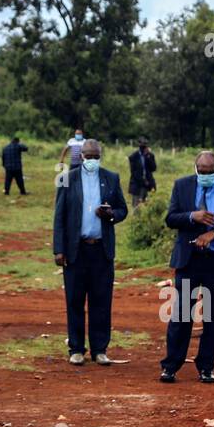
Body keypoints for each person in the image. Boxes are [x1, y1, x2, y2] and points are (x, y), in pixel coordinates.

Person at [160, 150, 214, 384]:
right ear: (195, 168)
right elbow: (170, 218)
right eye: (202, 171)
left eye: (210, 172)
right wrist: (192, 216)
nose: (206, 175)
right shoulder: (182, 186)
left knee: (213, 317)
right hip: (189, 261)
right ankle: (171, 366)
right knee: (181, 314)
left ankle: (206, 366)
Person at [52, 139, 128, 365]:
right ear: (81, 156)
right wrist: (59, 249)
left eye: (96, 156)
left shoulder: (111, 178)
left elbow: (122, 209)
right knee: (74, 300)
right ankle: (76, 349)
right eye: (89, 156)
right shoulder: (67, 177)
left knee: (101, 301)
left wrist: (111, 214)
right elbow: (60, 215)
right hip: (76, 250)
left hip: (101, 250)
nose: (92, 160)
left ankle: (99, 349)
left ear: (100, 156)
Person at [127, 138, 157, 207]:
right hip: (137, 183)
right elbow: (134, 172)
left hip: (148, 184)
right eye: (142, 145)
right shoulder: (133, 157)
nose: (144, 147)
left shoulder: (150, 155)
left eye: (145, 145)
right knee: (136, 205)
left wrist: (148, 156)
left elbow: (153, 168)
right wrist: (143, 181)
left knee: (147, 205)